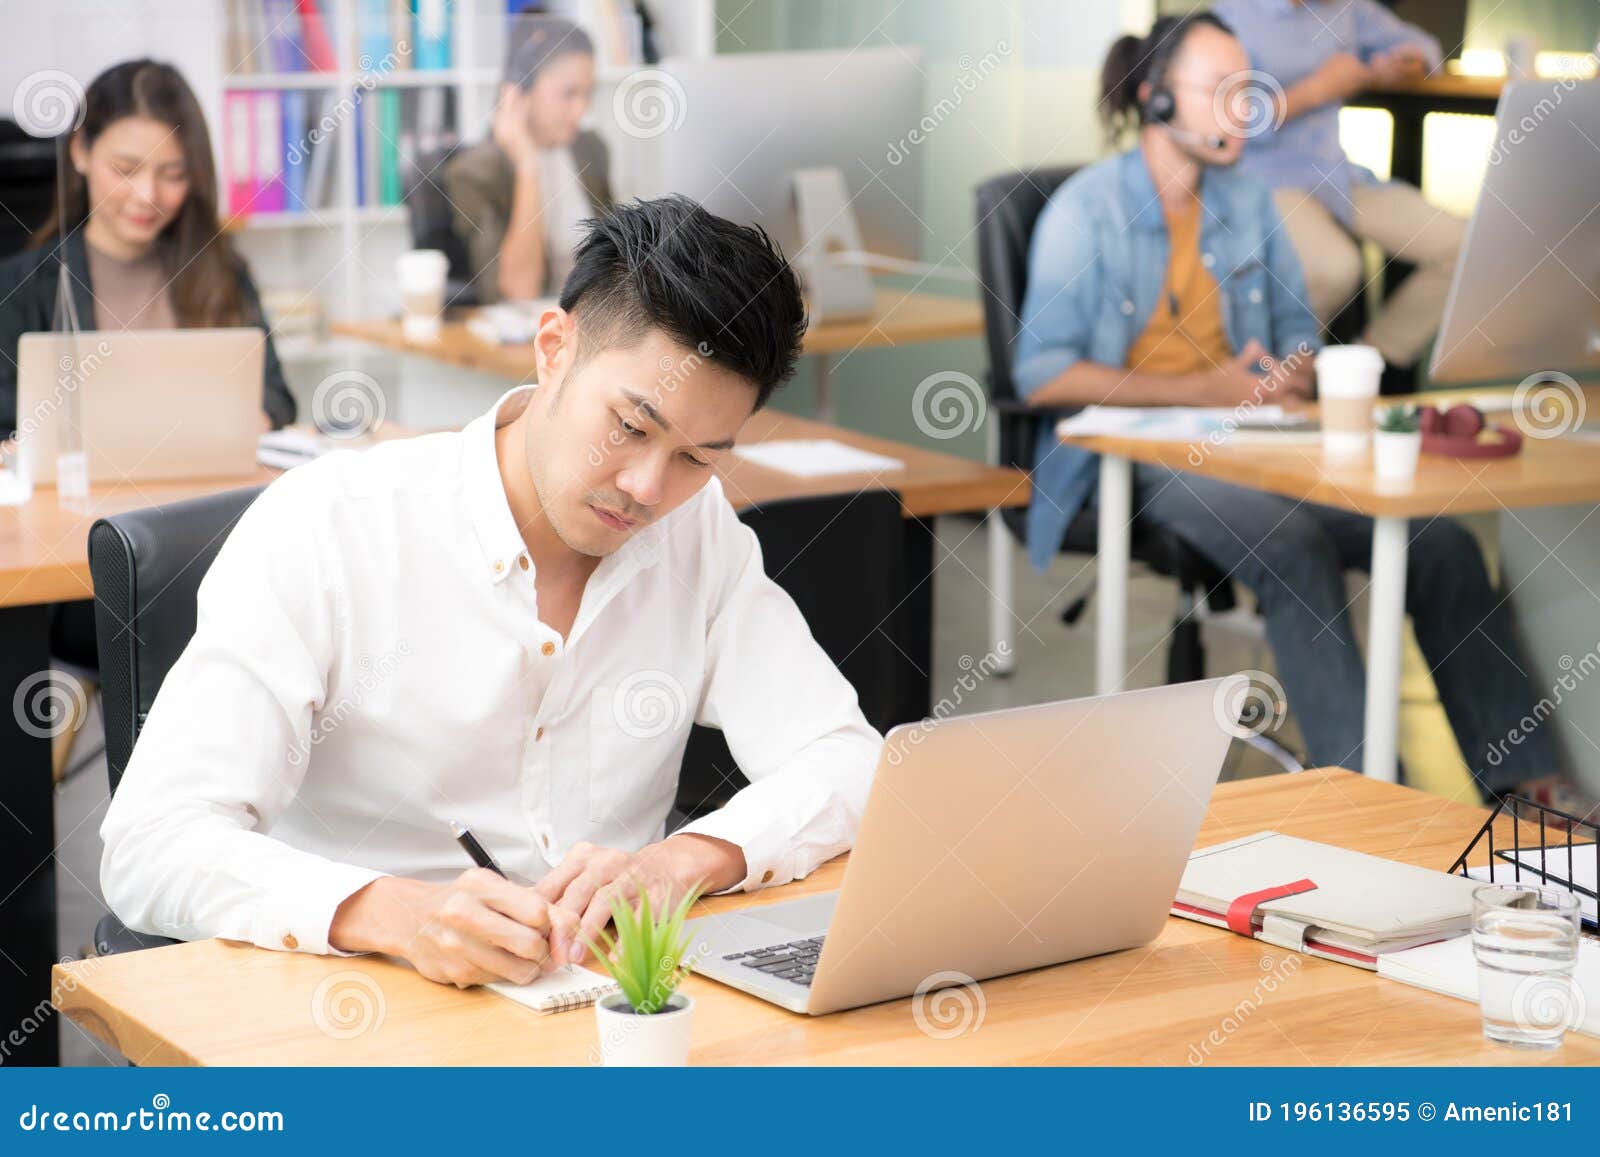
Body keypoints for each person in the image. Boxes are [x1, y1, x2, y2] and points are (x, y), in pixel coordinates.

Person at [100, 196, 883, 987]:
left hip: (611, 1004)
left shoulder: (695, 532)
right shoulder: (335, 524)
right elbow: (151, 843)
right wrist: (397, 915)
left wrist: (680, 861)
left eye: (696, 458)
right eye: (631, 427)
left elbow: (848, 759)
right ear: (553, 349)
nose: (647, 488)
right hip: (361, 1002)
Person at [1016, 13, 1568, 809]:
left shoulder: (1250, 203)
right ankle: (1373, 799)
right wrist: (1205, 390)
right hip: (1140, 454)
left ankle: (1530, 790)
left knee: (1440, 542)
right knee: (1293, 546)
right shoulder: (1086, 210)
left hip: (1255, 439)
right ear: (1155, 98)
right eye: (1219, 89)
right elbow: (1041, 374)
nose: (1243, 109)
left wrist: (1286, 375)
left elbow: (1296, 339)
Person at [0, 59, 296, 440]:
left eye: (173, 175)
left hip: (204, 474)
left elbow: (276, 396)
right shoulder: (19, 288)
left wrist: (255, 417)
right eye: (125, 170)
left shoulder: (222, 270)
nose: (147, 196)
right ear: (80, 151)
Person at [1213, 0, 1466, 381]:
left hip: (1338, 176)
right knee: (1335, 268)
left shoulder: (1347, 9)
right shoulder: (1231, 16)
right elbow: (1222, 123)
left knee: (1462, 245)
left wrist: (1404, 63)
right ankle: (1280, 379)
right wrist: (1315, 90)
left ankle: (1365, 364)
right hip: (1266, 180)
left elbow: (1424, 46)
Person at [445, 10, 613, 303]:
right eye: (569, 94)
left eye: (588, 94)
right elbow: (520, 291)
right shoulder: (473, 173)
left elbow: (615, 262)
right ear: (519, 92)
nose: (581, 110)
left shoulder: (591, 148)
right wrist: (528, 166)